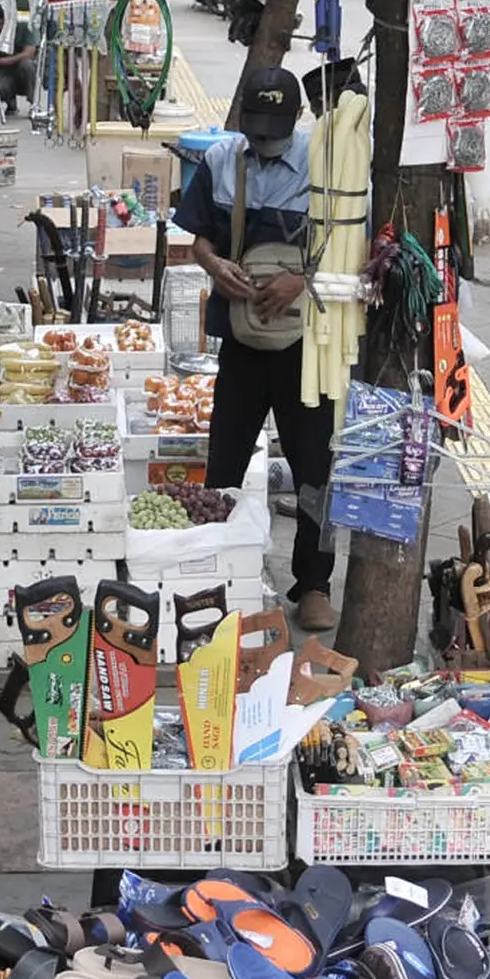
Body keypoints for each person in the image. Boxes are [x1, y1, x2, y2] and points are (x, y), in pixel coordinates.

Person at [170, 67, 338, 633]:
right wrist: (214, 265)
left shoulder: (325, 165)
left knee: (314, 468)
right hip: (242, 342)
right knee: (225, 462)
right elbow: (199, 238)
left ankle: (314, 583)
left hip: (306, 347)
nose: (264, 140)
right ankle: (213, 567)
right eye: (256, 129)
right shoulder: (222, 161)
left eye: (274, 131)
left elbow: (351, 247)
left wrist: (303, 280)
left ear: (297, 119)